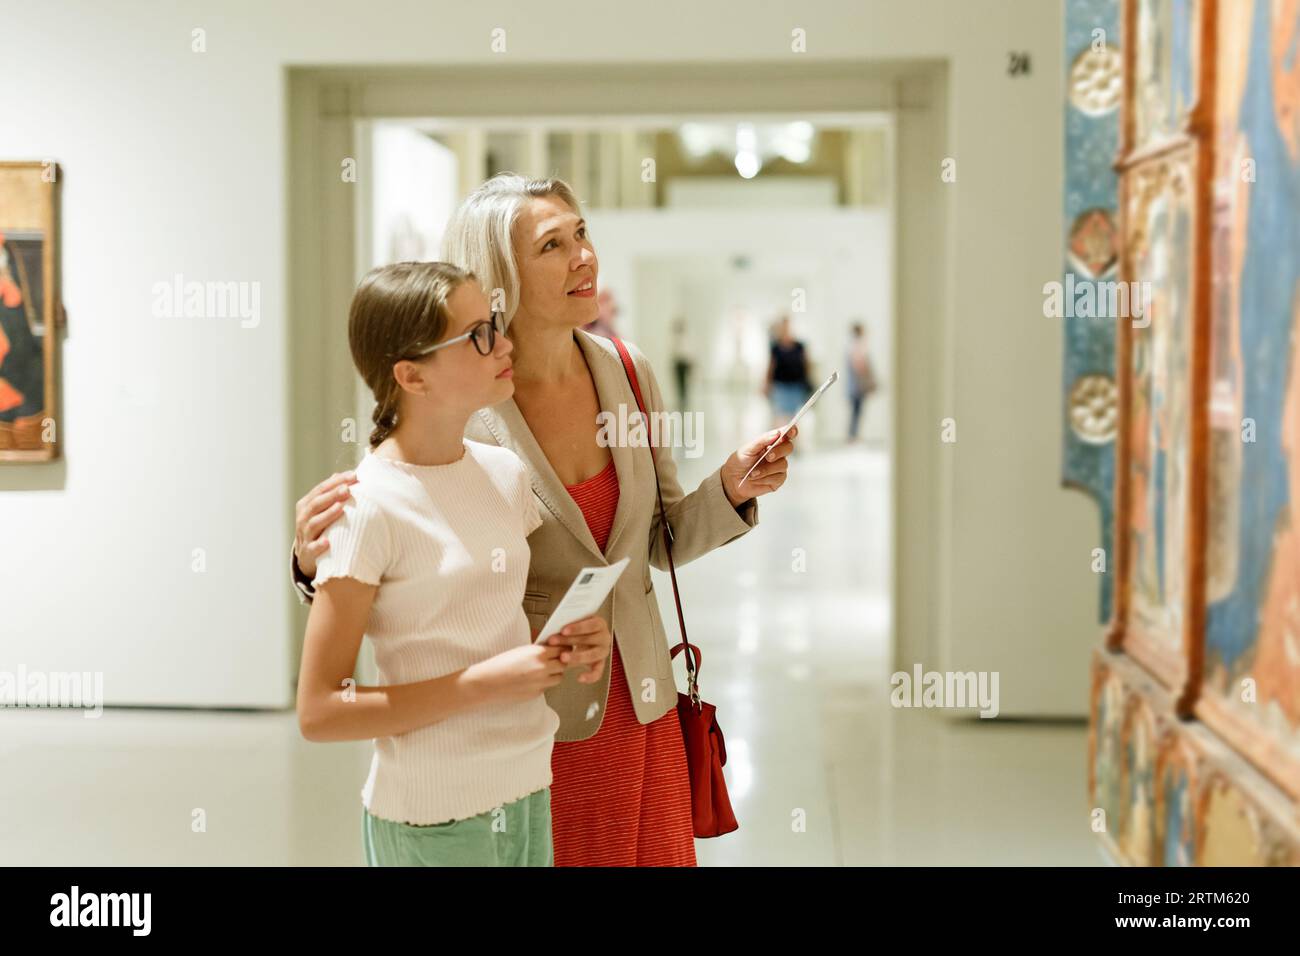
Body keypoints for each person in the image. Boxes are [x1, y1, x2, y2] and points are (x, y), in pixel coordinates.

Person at [291, 174, 798, 867]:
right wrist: (309, 566)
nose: (583, 256)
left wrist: (731, 488)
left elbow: (657, 540)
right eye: (553, 245)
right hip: (531, 718)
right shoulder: (465, 401)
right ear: (500, 277)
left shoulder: (627, 372)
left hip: (642, 702)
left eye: (582, 233)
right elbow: (398, 537)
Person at [295, 260, 612, 866]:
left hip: (526, 787)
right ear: (412, 376)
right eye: (479, 335)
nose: (505, 343)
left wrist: (572, 638)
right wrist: (481, 685)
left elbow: (490, 618)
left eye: (495, 323)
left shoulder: (505, 474)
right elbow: (320, 710)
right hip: (433, 817)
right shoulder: (365, 507)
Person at [763, 315, 811, 431]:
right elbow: (771, 366)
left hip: (796, 385)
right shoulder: (775, 347)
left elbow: (806, 364)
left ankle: (793, 442)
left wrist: (807, 380)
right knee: (780, 415)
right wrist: (766, 383)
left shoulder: (799, 346)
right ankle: (779, 441)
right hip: (780, 385)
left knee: (794, 416)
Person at [846, 322, 877, 442]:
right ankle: (853, 436)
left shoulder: (851, 344)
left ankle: (853, 435)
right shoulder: (857, 345)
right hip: (857, 385)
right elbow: (859, 365)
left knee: (856, 411)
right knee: (856, 411)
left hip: (855, 385)